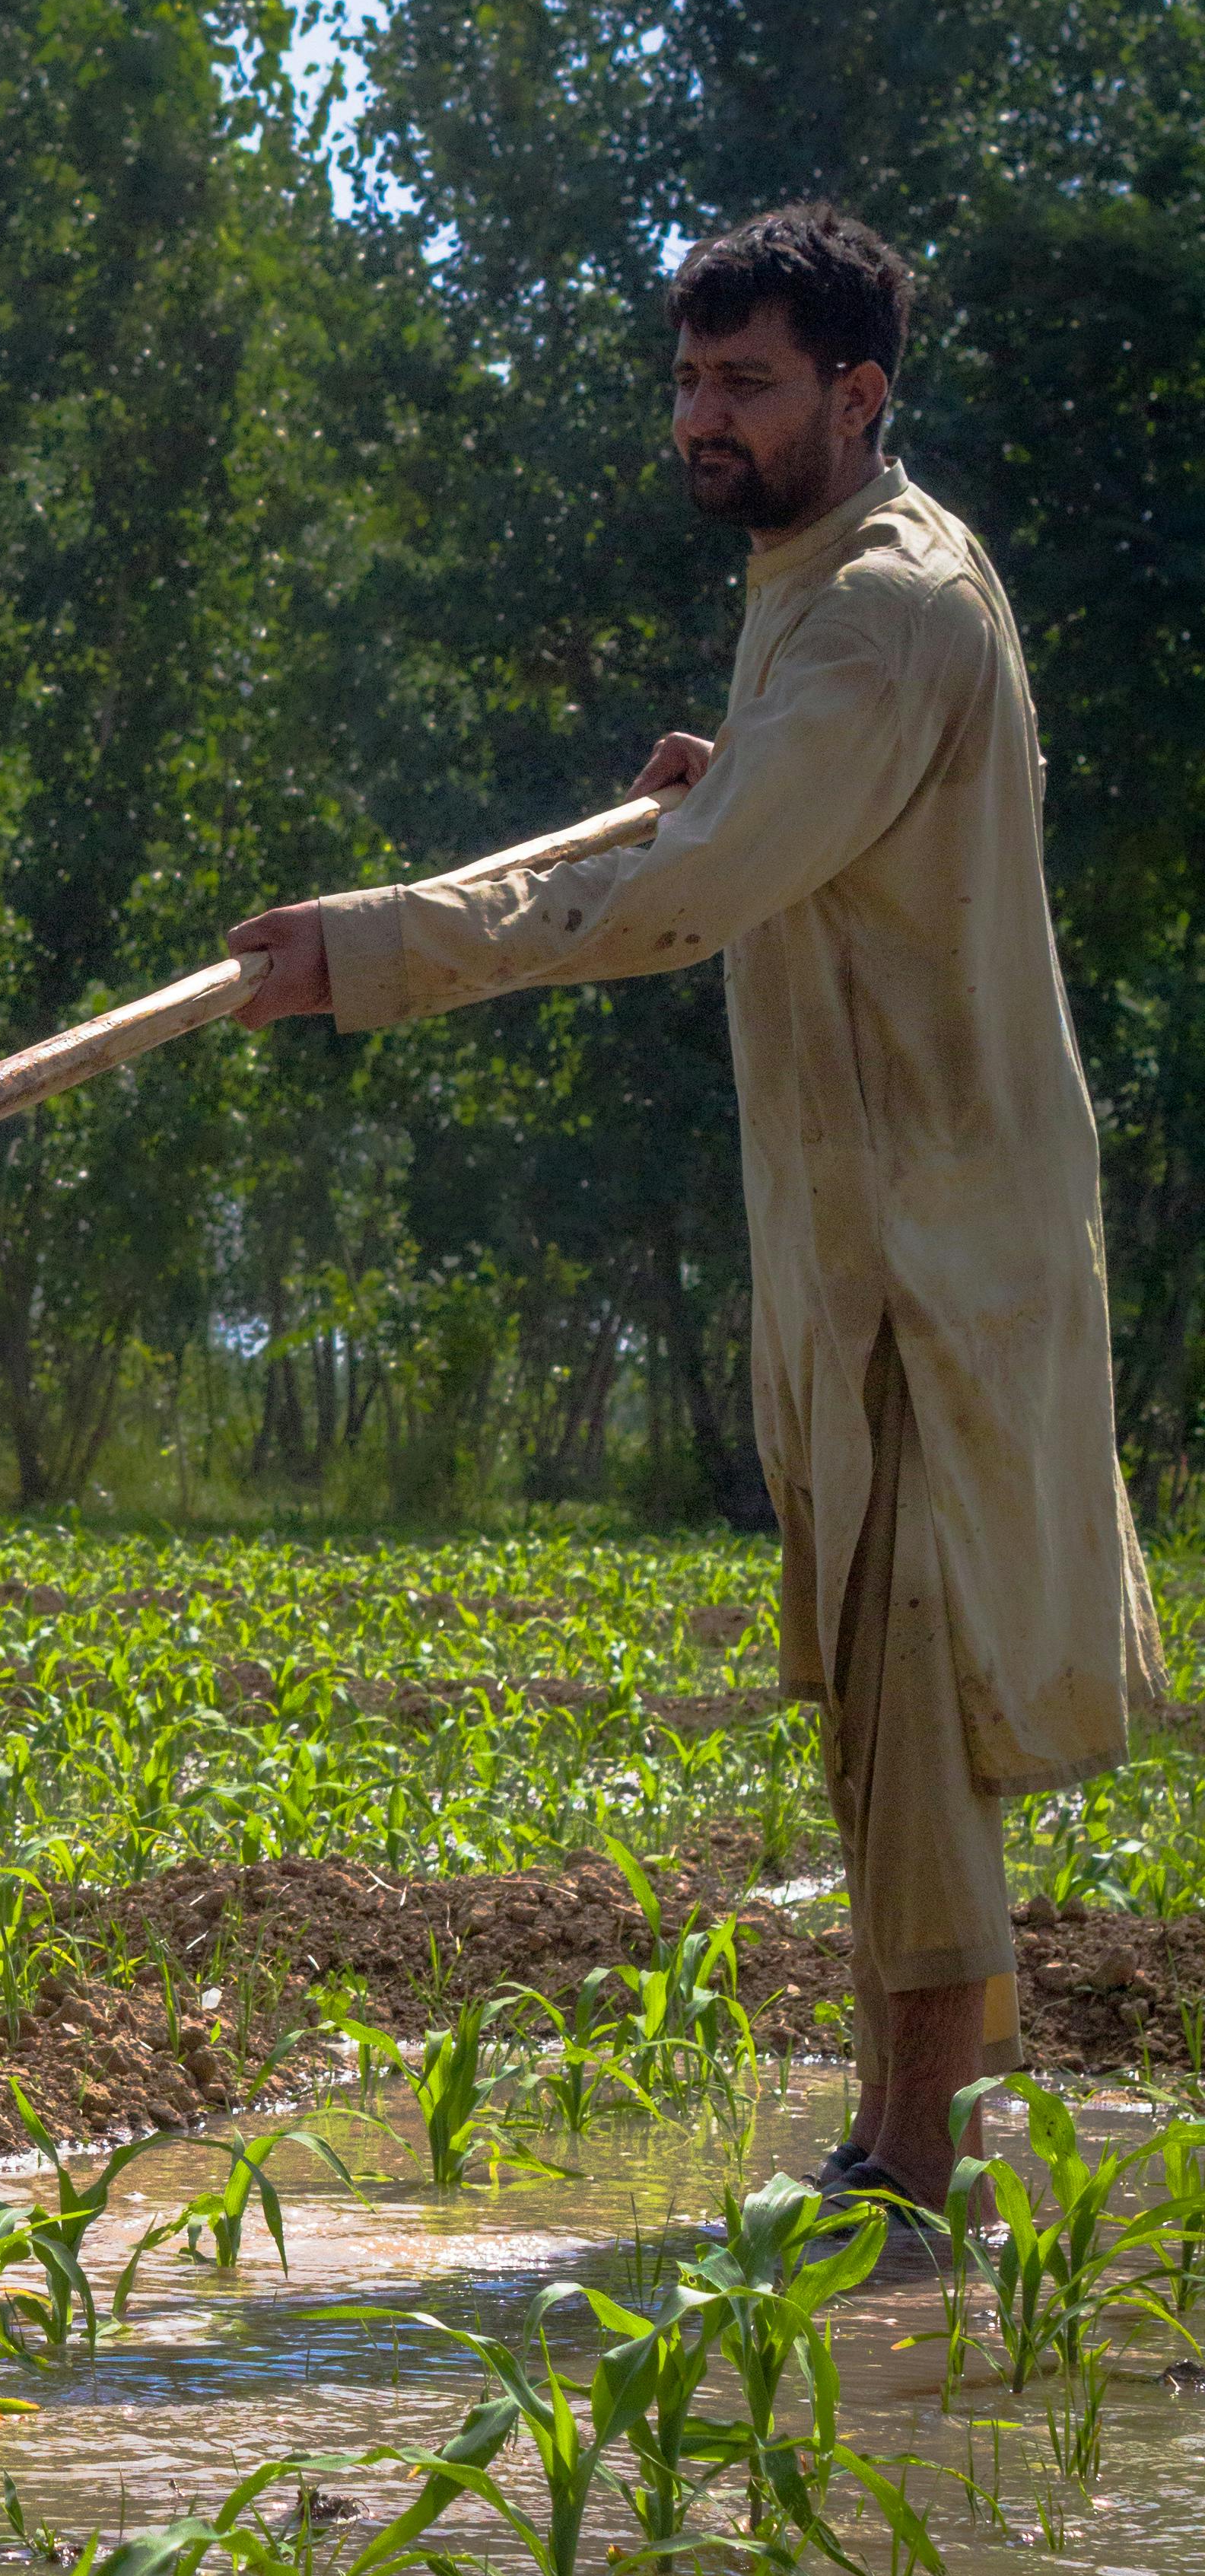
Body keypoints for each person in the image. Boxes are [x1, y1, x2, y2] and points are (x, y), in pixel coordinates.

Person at [225, 201, 1163, 2234]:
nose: (702, 421)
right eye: (685, 383)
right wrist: (734, 786)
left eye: (746, 385)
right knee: (875, 1696)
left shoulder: (892, 604)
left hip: (942, 1243)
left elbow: (687, 897)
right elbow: (787, 830)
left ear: (856, 393)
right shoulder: (811, 591)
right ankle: (919, 2144)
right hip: (856, 1237)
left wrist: (370, 950)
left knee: (918, 1700)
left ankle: (910, 2174)